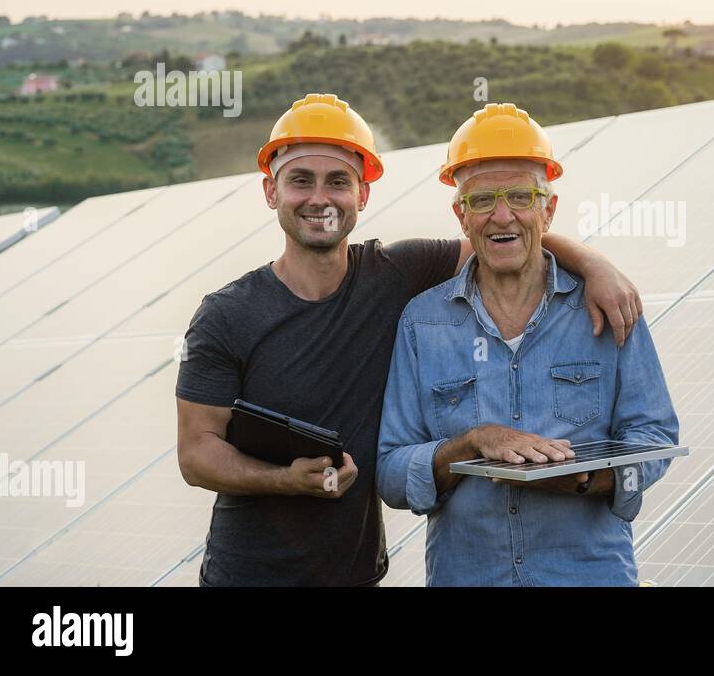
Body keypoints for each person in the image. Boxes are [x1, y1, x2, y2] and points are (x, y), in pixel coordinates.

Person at [175, 94, 642, 586]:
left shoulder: (395, 274)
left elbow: (505, 234)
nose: (320, 198)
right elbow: (196, 453)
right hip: (248, 576)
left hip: (356, 575)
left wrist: (594, 265)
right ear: (271, 192)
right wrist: (284, 480)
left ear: (363, 195)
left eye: (338, 181)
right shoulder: (226, 314)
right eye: (299, 181)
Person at [377, 102, 679, 586]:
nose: (502, 215)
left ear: (549, 208)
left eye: (521, 195)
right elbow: (391, 469)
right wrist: (470, 445)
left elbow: (654, 437)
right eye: (482, 200)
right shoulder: (423, 322)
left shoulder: (607, 307)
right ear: (461, 215)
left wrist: (586, 480)